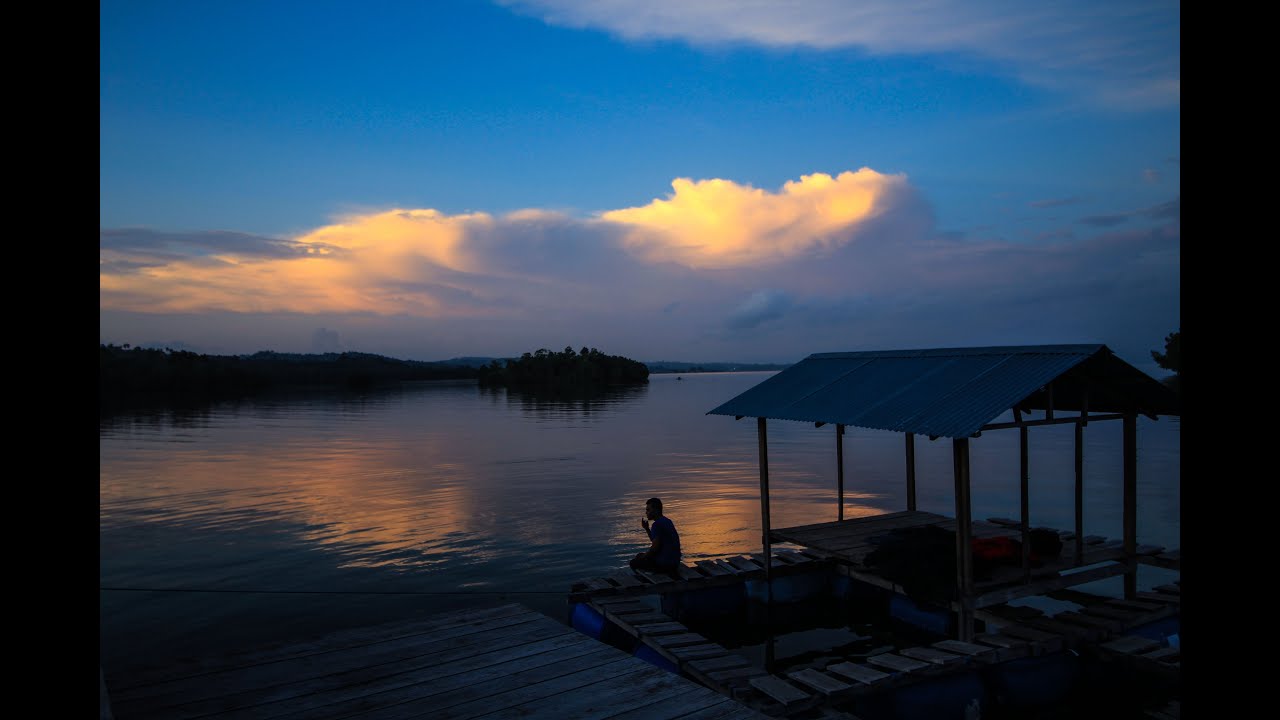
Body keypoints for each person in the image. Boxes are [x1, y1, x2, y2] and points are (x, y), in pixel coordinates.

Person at [630, 497, 681, 576]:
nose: (646, 512)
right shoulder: (667, 521)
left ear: (656, 510)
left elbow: (654, 548)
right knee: (639, 556)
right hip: (675, 562)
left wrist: (644, 556)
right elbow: (656, 541)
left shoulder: (656, 525)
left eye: (648, 510)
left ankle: (647, 578)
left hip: (665, 564)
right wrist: (647, 529)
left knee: (633, 563)